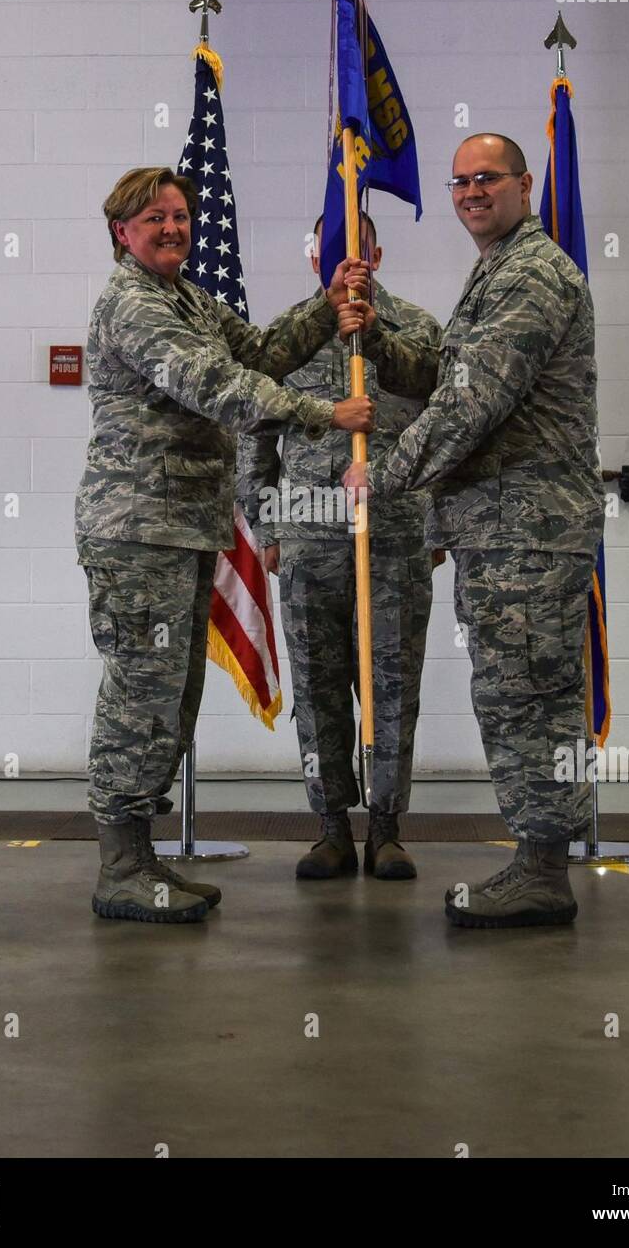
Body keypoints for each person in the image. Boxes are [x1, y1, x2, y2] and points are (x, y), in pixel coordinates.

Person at [75, 166, 373, 925]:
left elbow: (260, 351)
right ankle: (120, 867)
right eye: (154, 220)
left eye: (179, 216)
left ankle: (143, 862)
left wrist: (327, 303)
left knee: (172, 699)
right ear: (122, 233)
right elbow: (216, 384)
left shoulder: (188, 300)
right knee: (141, 699)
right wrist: (323, 414)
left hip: (179, 528)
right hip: (138, 529)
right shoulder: (134, 306)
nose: (172, 229)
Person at [340, 134, 604, 929]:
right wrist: (375, 336)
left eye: (486, 178)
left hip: (526, 526)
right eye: (459, 182)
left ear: (525, 184)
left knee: (528, 696)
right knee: (516, 693)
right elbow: (444, 375)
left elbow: (470, 404)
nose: (470, 191)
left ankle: (542, 869)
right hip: (500, 528)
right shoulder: (495, 270)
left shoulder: (531, 274)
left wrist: (380, 474)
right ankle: (537, 860)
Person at [237, 214, 443, 881]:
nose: (347, 258)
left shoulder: (415, 329)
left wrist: (436, 526)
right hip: (307, 536)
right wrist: (266, 527)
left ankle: (386, 828)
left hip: (395, 534)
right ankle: (330, 825)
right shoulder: (286, 337)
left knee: (391, 688)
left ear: (378, 252)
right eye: (332, 247)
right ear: (313, 256)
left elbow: (448, 427)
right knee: (319, 687)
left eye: (359, 244)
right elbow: (254, 434)